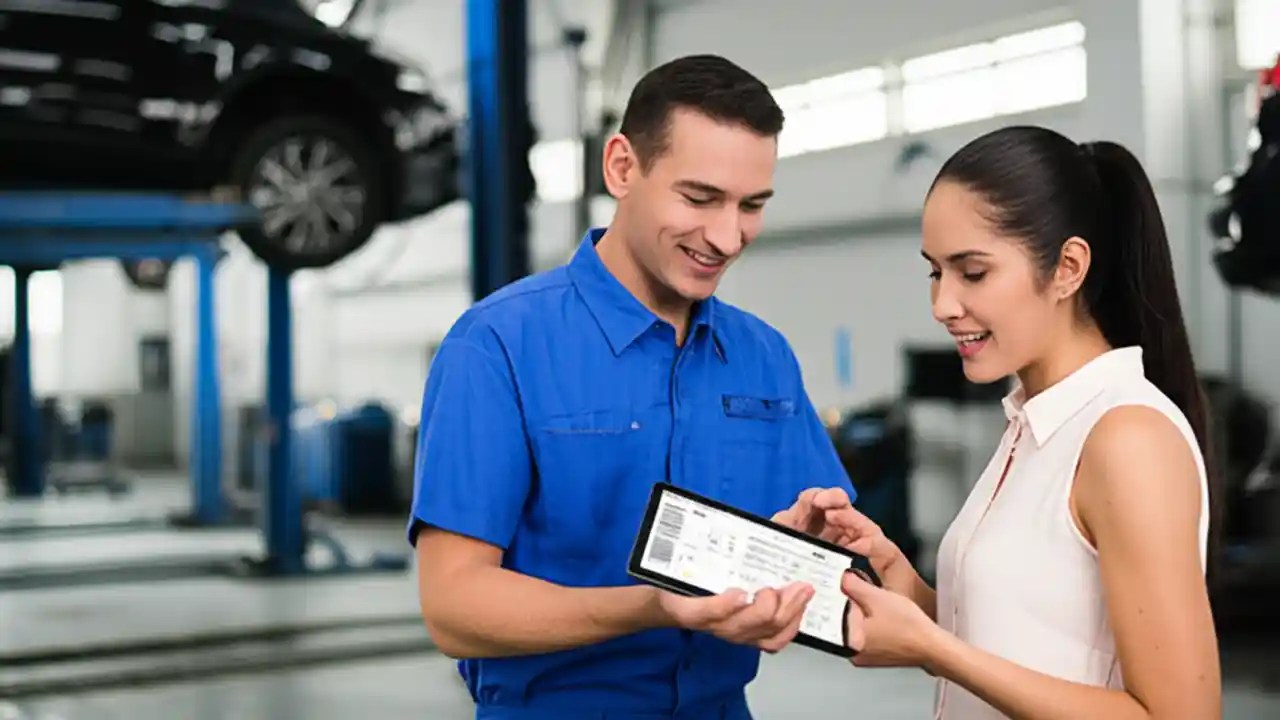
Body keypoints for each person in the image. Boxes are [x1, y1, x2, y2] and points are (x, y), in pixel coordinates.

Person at [408, 54, 859, 720]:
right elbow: (455, 607)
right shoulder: (498, 345)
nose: (727, 236)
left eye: (751, 205)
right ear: (622, 167)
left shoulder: (763, 357)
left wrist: (801, 552)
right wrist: (653, 605)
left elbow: (834, 566)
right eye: (699, 199)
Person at [829, 125, 1223, 719]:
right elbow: (1032, 638)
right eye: (935, 272)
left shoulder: (1126, 438)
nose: (942, 305)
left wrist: (935, 648)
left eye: (973, 272)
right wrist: (912, 595)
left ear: (1067, 267)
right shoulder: (1034, 424)